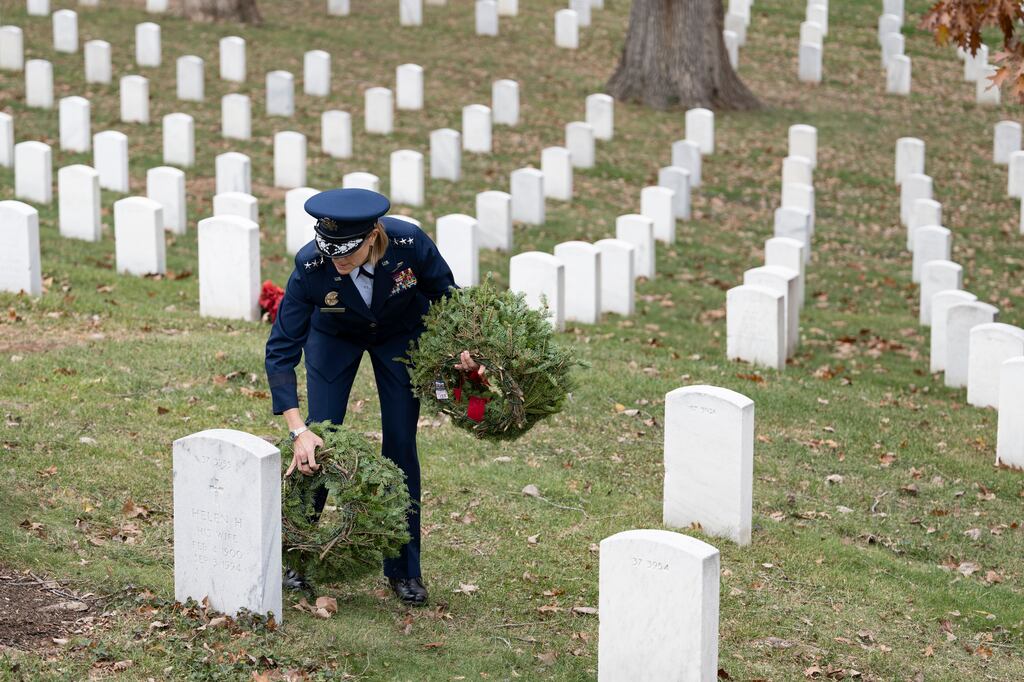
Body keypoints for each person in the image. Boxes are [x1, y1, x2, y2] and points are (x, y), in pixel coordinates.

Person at [265, 188, 478, 606]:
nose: (337, 266)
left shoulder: (409, 243)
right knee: (320, 440)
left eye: (346, 257)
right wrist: (296, 429)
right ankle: (297, 558)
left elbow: (447, 295)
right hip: (334, 337)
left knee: (400, 443)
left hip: (400, 335)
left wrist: (466, 346)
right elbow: (281, 349)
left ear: (372, 236)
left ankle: (403, 570)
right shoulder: (310, 265)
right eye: (332, 258)